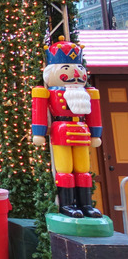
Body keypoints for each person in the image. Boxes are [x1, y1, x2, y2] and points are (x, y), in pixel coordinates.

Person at [32, 37, 103, 219]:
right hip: (61, 132)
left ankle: (85, 204)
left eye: (79, 69)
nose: (75, 74)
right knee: (64, 169)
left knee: (83, 168)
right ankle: (67, 205)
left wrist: (96, 134)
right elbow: (39, 112)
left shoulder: (88, 93)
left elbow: (94, 115)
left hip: (82, 132)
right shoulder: (46, 92)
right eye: (67, 69)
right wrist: (39, 132)